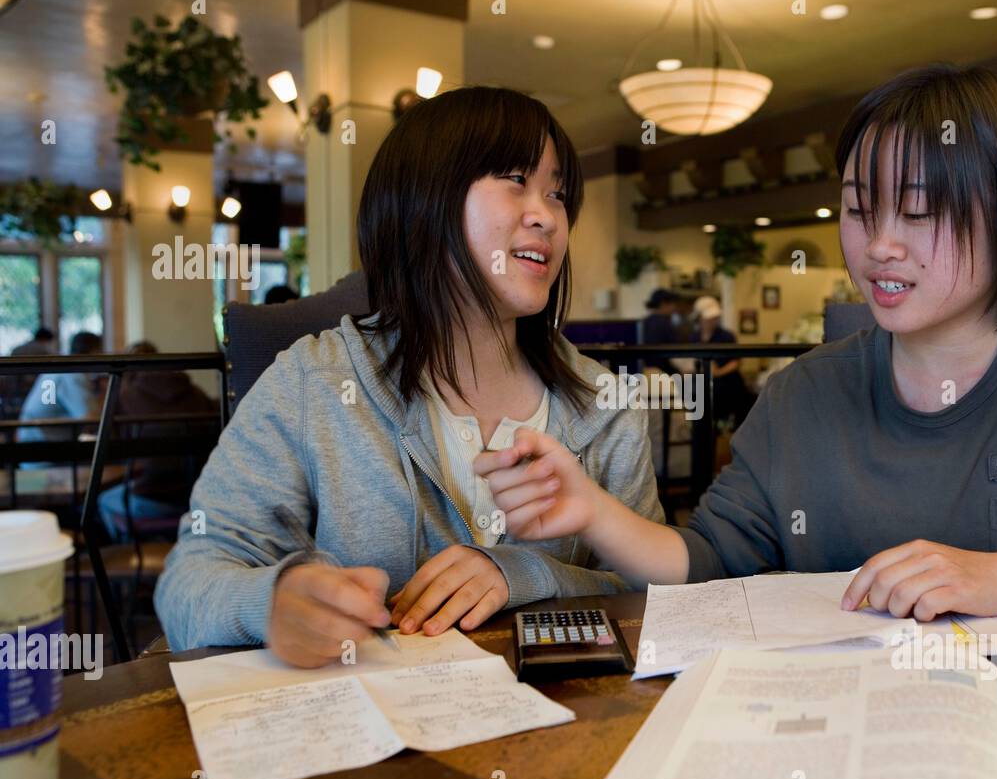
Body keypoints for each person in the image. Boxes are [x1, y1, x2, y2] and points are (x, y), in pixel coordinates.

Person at [476, 63, 997, 626]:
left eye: (920, 210)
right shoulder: (801, 397)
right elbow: (709, 561)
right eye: (860, 210)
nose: (879, 246)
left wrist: (996, 576)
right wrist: (593, 510)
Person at [154, 87, 663, 665]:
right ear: (425, 199)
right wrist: (268, 603)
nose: (547, 215)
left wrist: (526, 573)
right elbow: (189, 582)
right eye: (515, 181)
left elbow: (652, 590)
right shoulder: (313, 382)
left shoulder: (605, 402)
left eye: (558, 193)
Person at [97, 341, 219, 542]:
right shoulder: (195, 392)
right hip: (196, 496)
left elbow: (112, 444)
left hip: (150, 495)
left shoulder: (125, 396)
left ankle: (128, 552)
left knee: (103, 500)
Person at [17, 331, 104, 446]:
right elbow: (90, 418)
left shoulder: (59, 368)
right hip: (47, 451)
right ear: (94, 351)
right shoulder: (72, 374)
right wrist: (104, 395)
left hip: (31, 444)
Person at [691, 295, 754, 430]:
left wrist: (718, 372)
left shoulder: (726, 336)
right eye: (709, 318)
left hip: (728, 385)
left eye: (714, 318)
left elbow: (736, 362)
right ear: (699, 318)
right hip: (703, 387)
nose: (712, 321)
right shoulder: (694, 337)